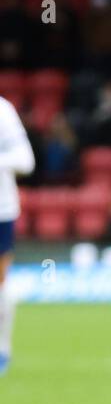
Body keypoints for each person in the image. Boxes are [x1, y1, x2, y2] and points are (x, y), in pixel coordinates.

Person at [0, 95, 35, 375]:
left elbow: (26, 161)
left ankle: (2, 349)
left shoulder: (3, 111)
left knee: (0, 279)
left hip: (1, 209)